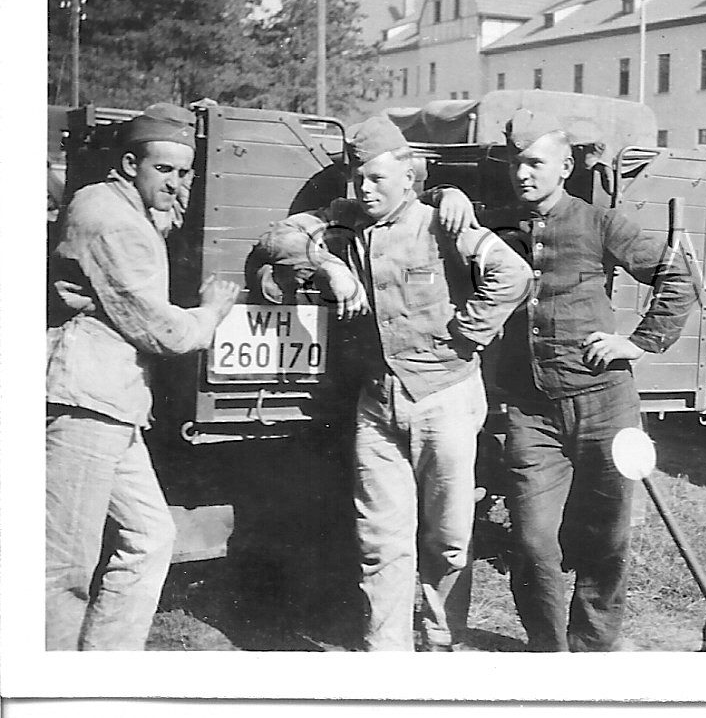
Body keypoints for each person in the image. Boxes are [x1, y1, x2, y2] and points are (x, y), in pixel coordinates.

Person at [253, 116, 530, 651]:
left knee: (448, 538)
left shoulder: (440, 221)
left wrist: (466, 336)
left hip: (444, 397)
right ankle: (387, 653)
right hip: (377, 404)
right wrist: (327, 265)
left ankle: (441, 636)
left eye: (377, 177)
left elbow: (511, 273)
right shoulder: (344, 219)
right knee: (380, 537)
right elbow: (279, 237)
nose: (365, 188)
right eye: (357, 177)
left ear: (409, 175)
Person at [488, 109, 697, 651]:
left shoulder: (598, 222)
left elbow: (677, 277)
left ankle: (592, 652)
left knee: (606, 538)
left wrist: (640, 341)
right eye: (516, 163)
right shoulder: (499, 230)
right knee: (534, 542)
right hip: (532, 414)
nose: (523, 174)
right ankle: (550, 654)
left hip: (605, 402)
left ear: (564, 167)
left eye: (535, 163)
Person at [45, 103, 241, 650]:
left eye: (185, 173)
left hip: (116, 403)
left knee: (151, 538)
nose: (176, 184)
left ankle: (105, 670)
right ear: (130, 164)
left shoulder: (123, 210)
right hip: (85, 400)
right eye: (164, 171)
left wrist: (161, 216)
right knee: (64, 566)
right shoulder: (105, 215)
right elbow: (163, 331)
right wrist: (210, 313)